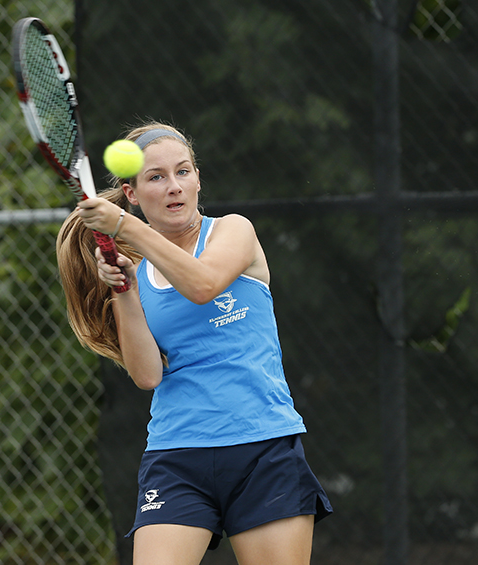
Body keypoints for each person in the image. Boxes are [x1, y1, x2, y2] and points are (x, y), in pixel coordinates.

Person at [56, 122, 332, 565]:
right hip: (177, 456)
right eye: (156, 177)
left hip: (262, 449)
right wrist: (124, 291)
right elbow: (147, 375)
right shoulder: (139, 276)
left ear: (198, 178)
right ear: (132, 192)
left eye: (183, 172)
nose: (174, 187)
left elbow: (202, 284)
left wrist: (126, 227)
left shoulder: (234, 232)